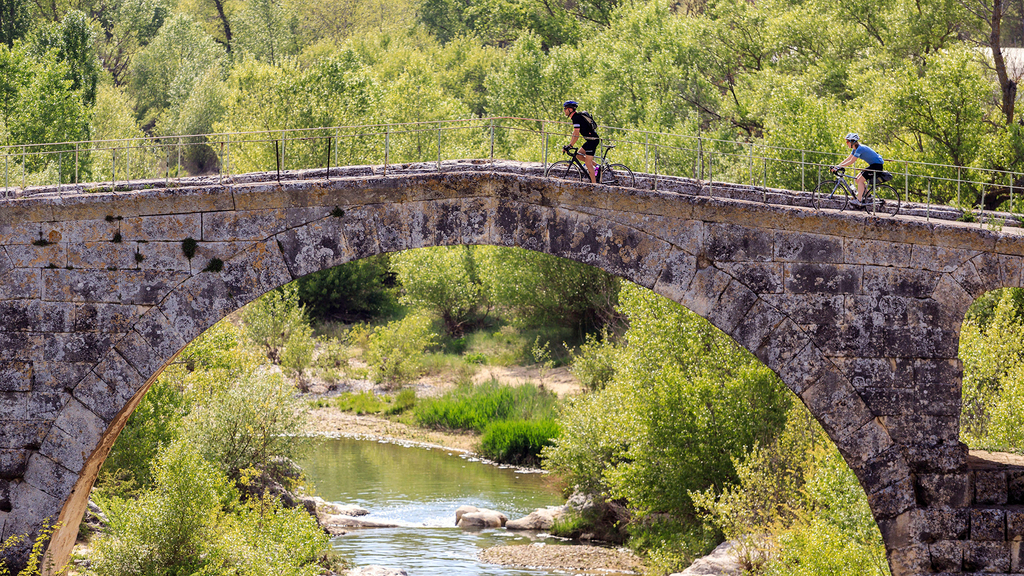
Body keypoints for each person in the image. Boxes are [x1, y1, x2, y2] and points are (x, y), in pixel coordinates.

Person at [834, 133, 884, 206]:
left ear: (852, 142)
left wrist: (838, 167)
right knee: (857, 179)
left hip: (877, 166)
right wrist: (837, 166)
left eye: (847, 142)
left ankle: (859, 201)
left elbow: (851, 161)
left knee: (860, 180)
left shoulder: (860, 149)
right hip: (874, 165)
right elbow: (848, 159)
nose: (846, 143)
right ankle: (869, 196)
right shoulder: (855, 149)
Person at [562, 100, 600, 183]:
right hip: (590, 140)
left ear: (570, 109)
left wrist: (570, 146)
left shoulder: (576, 118)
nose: (564, 110)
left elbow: (576, 134)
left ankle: (595, 185)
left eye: (565, 109)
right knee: (578, 155)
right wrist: (570, 144)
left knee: (587, 163)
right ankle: (597, 166)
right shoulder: (576, 117)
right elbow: (574, 133)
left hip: (592, 140)